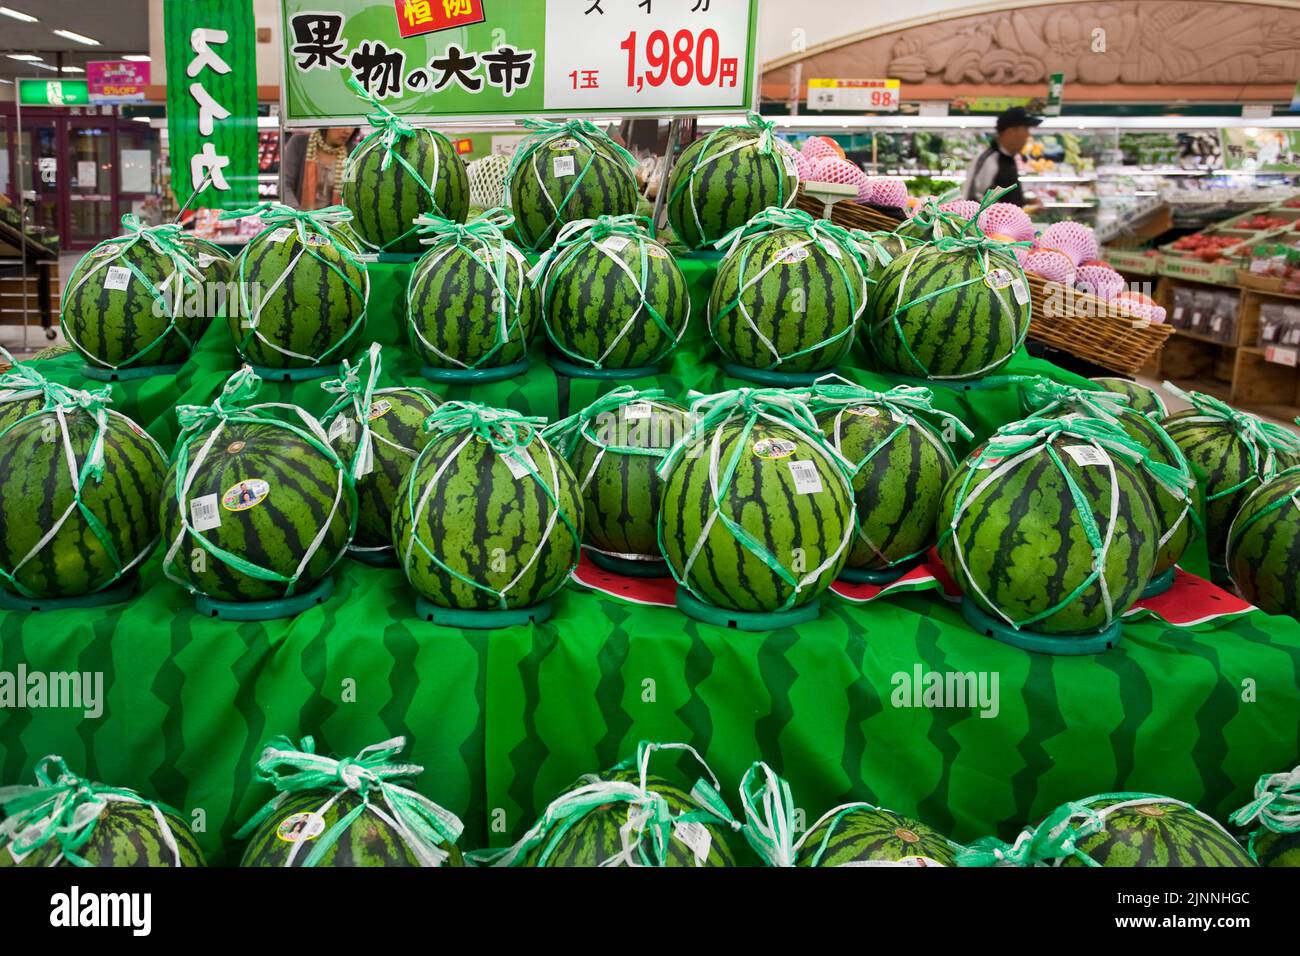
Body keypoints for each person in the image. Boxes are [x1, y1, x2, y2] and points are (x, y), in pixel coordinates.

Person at [963, 106, 1041, 207]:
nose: (1028, 135)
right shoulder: (989, 160)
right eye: (1025, 129)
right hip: (993, 223)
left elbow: (1003, 195)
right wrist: (1003, 214)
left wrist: (1025, 201)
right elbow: (972, 199)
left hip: (1010, 222)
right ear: (1010, 132)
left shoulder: (1008, 158)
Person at [282, 128, 357, 210]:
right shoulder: (299, 143)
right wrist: (297, 215)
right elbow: (284, 186)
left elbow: (351, 191)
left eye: (353, 126)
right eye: (344, 124)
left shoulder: (352, 151)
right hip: (300, 217)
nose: (348, 131)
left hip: (336, 219)